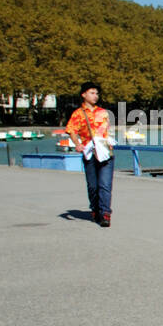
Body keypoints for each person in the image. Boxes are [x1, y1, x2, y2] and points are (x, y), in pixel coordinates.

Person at [66, 82, 113, 227]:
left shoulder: (103, 112)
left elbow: (107, 130)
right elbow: (72, 130)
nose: (95, 96)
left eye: (97, 93)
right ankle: (95, 209)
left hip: (105, 151)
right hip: (89, 152)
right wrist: (77, 144)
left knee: (105, 184)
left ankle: (105, 214)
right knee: (93, 186)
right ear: (84, 95)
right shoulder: (78, 114)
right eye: (92, 93)